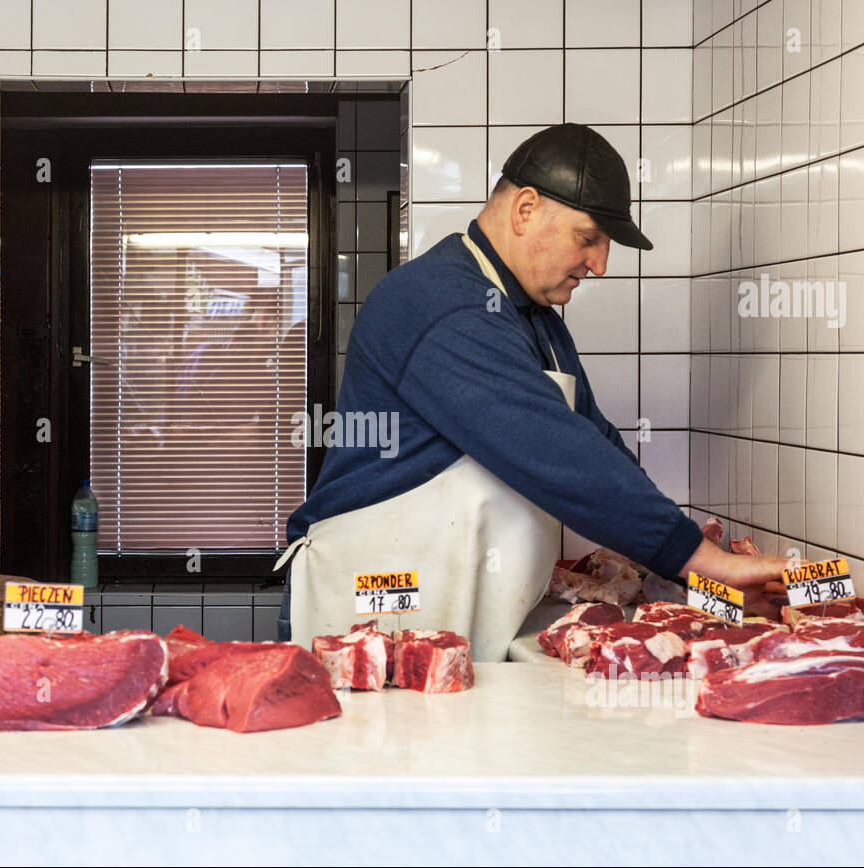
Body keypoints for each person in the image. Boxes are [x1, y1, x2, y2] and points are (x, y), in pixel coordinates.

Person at [275, 124, 788, 658]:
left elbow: (593, 442)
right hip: (372, 607)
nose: (600, 264)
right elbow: (555, 452)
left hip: (444, 611)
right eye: (588, 239)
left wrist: (702, 577)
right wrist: (710, 563)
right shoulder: (441, 302)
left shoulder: (533, 318)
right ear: (524, 210)